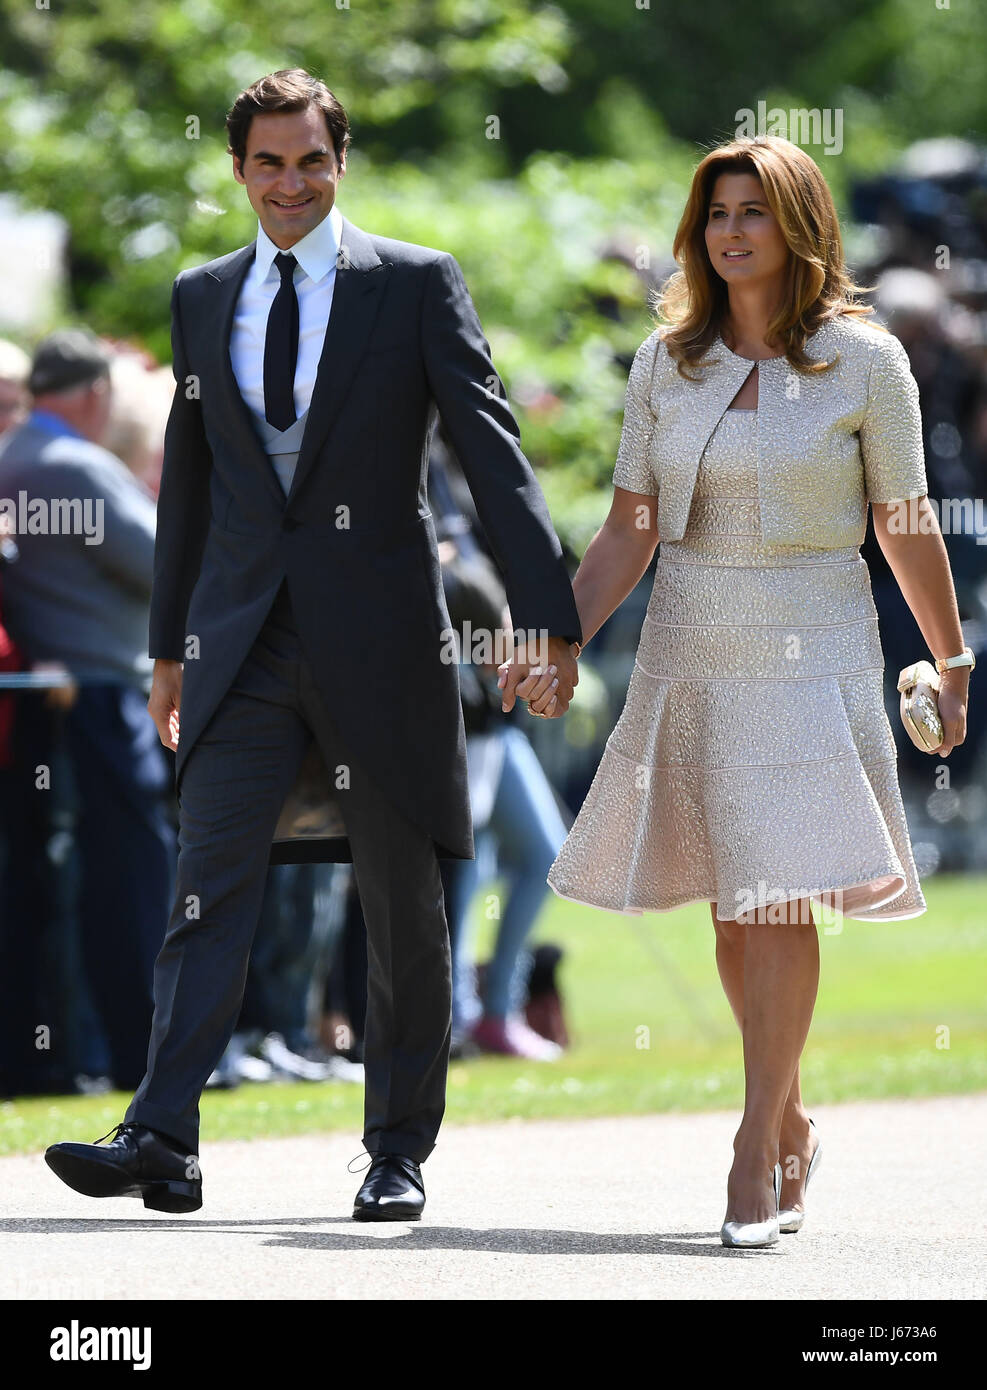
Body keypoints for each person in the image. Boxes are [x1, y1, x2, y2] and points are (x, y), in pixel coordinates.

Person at [45, 68, 581, 1221]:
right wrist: (169, 646)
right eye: (268, 163)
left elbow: (492, 454)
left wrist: (545, 611)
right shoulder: (201, 296)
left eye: (312, 161)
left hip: (389, 644)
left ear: (342, 164)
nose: (291, 184)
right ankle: (163, 1134)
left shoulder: (416, 285)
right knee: (208, 879)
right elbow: (189, 479)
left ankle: (396, 1149)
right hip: (240, 640)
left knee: (402, 900)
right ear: (238, 170)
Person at [539, 135, 973, 1247]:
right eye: (718, 213)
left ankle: (751, 1141)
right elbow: (627, 530)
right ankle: (790, 1117)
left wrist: (952, 655)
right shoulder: (660, 364)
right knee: (740, 906)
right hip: (693, 645)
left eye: (755, 212)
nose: (732, 231)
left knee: (779, 892)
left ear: (799, 227)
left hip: (814, 644)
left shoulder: (869, 362)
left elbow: (905, 520)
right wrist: (561, 639)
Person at [0, 329, 174, 1092]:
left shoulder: (14, 460)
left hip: (59, 701)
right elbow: (169, 559)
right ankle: (143, 1056)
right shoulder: (70, 465)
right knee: (133, 879)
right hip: (105, 696)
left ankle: (91, 1049)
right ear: (97, 394)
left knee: (77, 883)